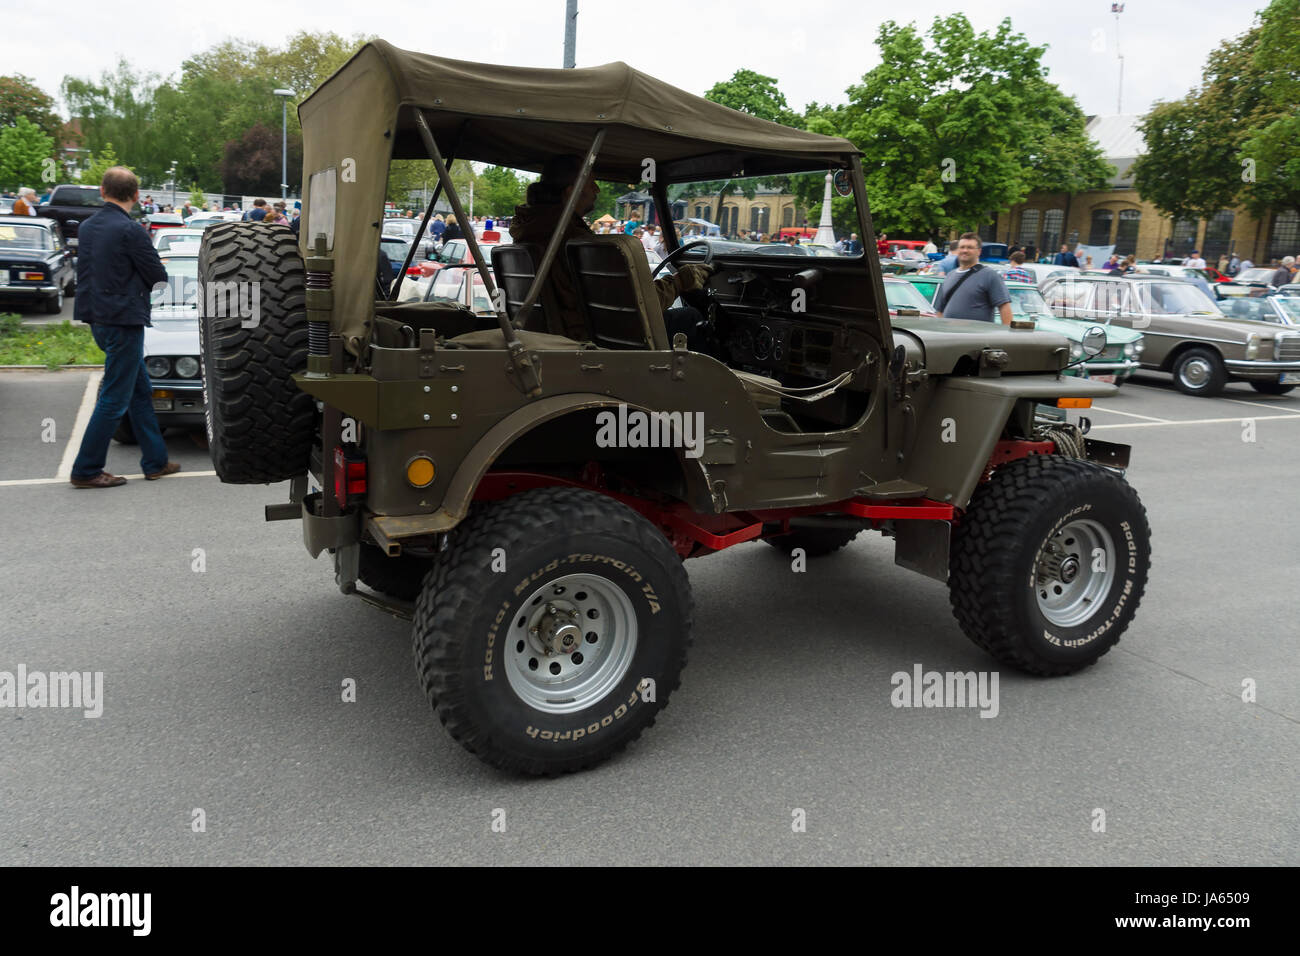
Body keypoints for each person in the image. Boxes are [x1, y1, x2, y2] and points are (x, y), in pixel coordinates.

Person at [509, 154, 714, 346]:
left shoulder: (531, 232)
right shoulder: (573, 241)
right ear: (573, 192)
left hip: (554, 337)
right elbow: (631, 304)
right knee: (690, 319)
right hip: (591, 343)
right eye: (591, 183)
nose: (597, 190)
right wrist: (679, 282)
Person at [69, 166, 180, 488]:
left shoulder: (88, 228)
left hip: (98, 319)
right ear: (135, 195)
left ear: (102, 191)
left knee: (140, 391)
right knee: (114, 399)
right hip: (123, 322)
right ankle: (86, 469)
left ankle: (155, 461)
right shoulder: (130, 230)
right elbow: (158, 277)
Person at [933, 232, 1012, 325]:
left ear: (979, 251)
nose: (965, 250)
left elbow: (1004, 307)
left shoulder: (989, 275)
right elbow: (940, 310)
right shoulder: (950, 275)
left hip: (977, 337)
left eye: (969, 247)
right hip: (951, 336)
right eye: (962, 247)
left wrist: (1006, 334)